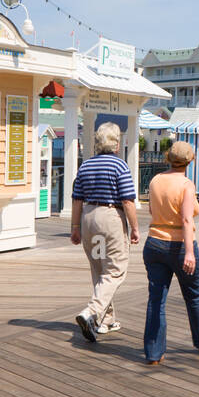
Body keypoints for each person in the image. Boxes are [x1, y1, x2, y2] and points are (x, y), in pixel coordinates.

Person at [141, 141, 199, 365]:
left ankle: (154, 353)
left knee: (156, 300)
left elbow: (152, 210)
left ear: (167, 158)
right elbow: (186, 219)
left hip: (154, 242)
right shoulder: (186, 184)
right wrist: (189, 253)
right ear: (190, 161)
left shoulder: (155, 180)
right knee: (193, 295)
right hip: (180, 244)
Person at [70, 122, 140, 343]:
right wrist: (135, 228)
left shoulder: (86, 166)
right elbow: (128, 200)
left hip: (89, 217)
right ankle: (91, 312)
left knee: (100, 268)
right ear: (116, 144)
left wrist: (74, 227)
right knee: (115, 270)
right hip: (110, 218)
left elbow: (76, 199)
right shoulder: (119, 166)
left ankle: (105, 320)